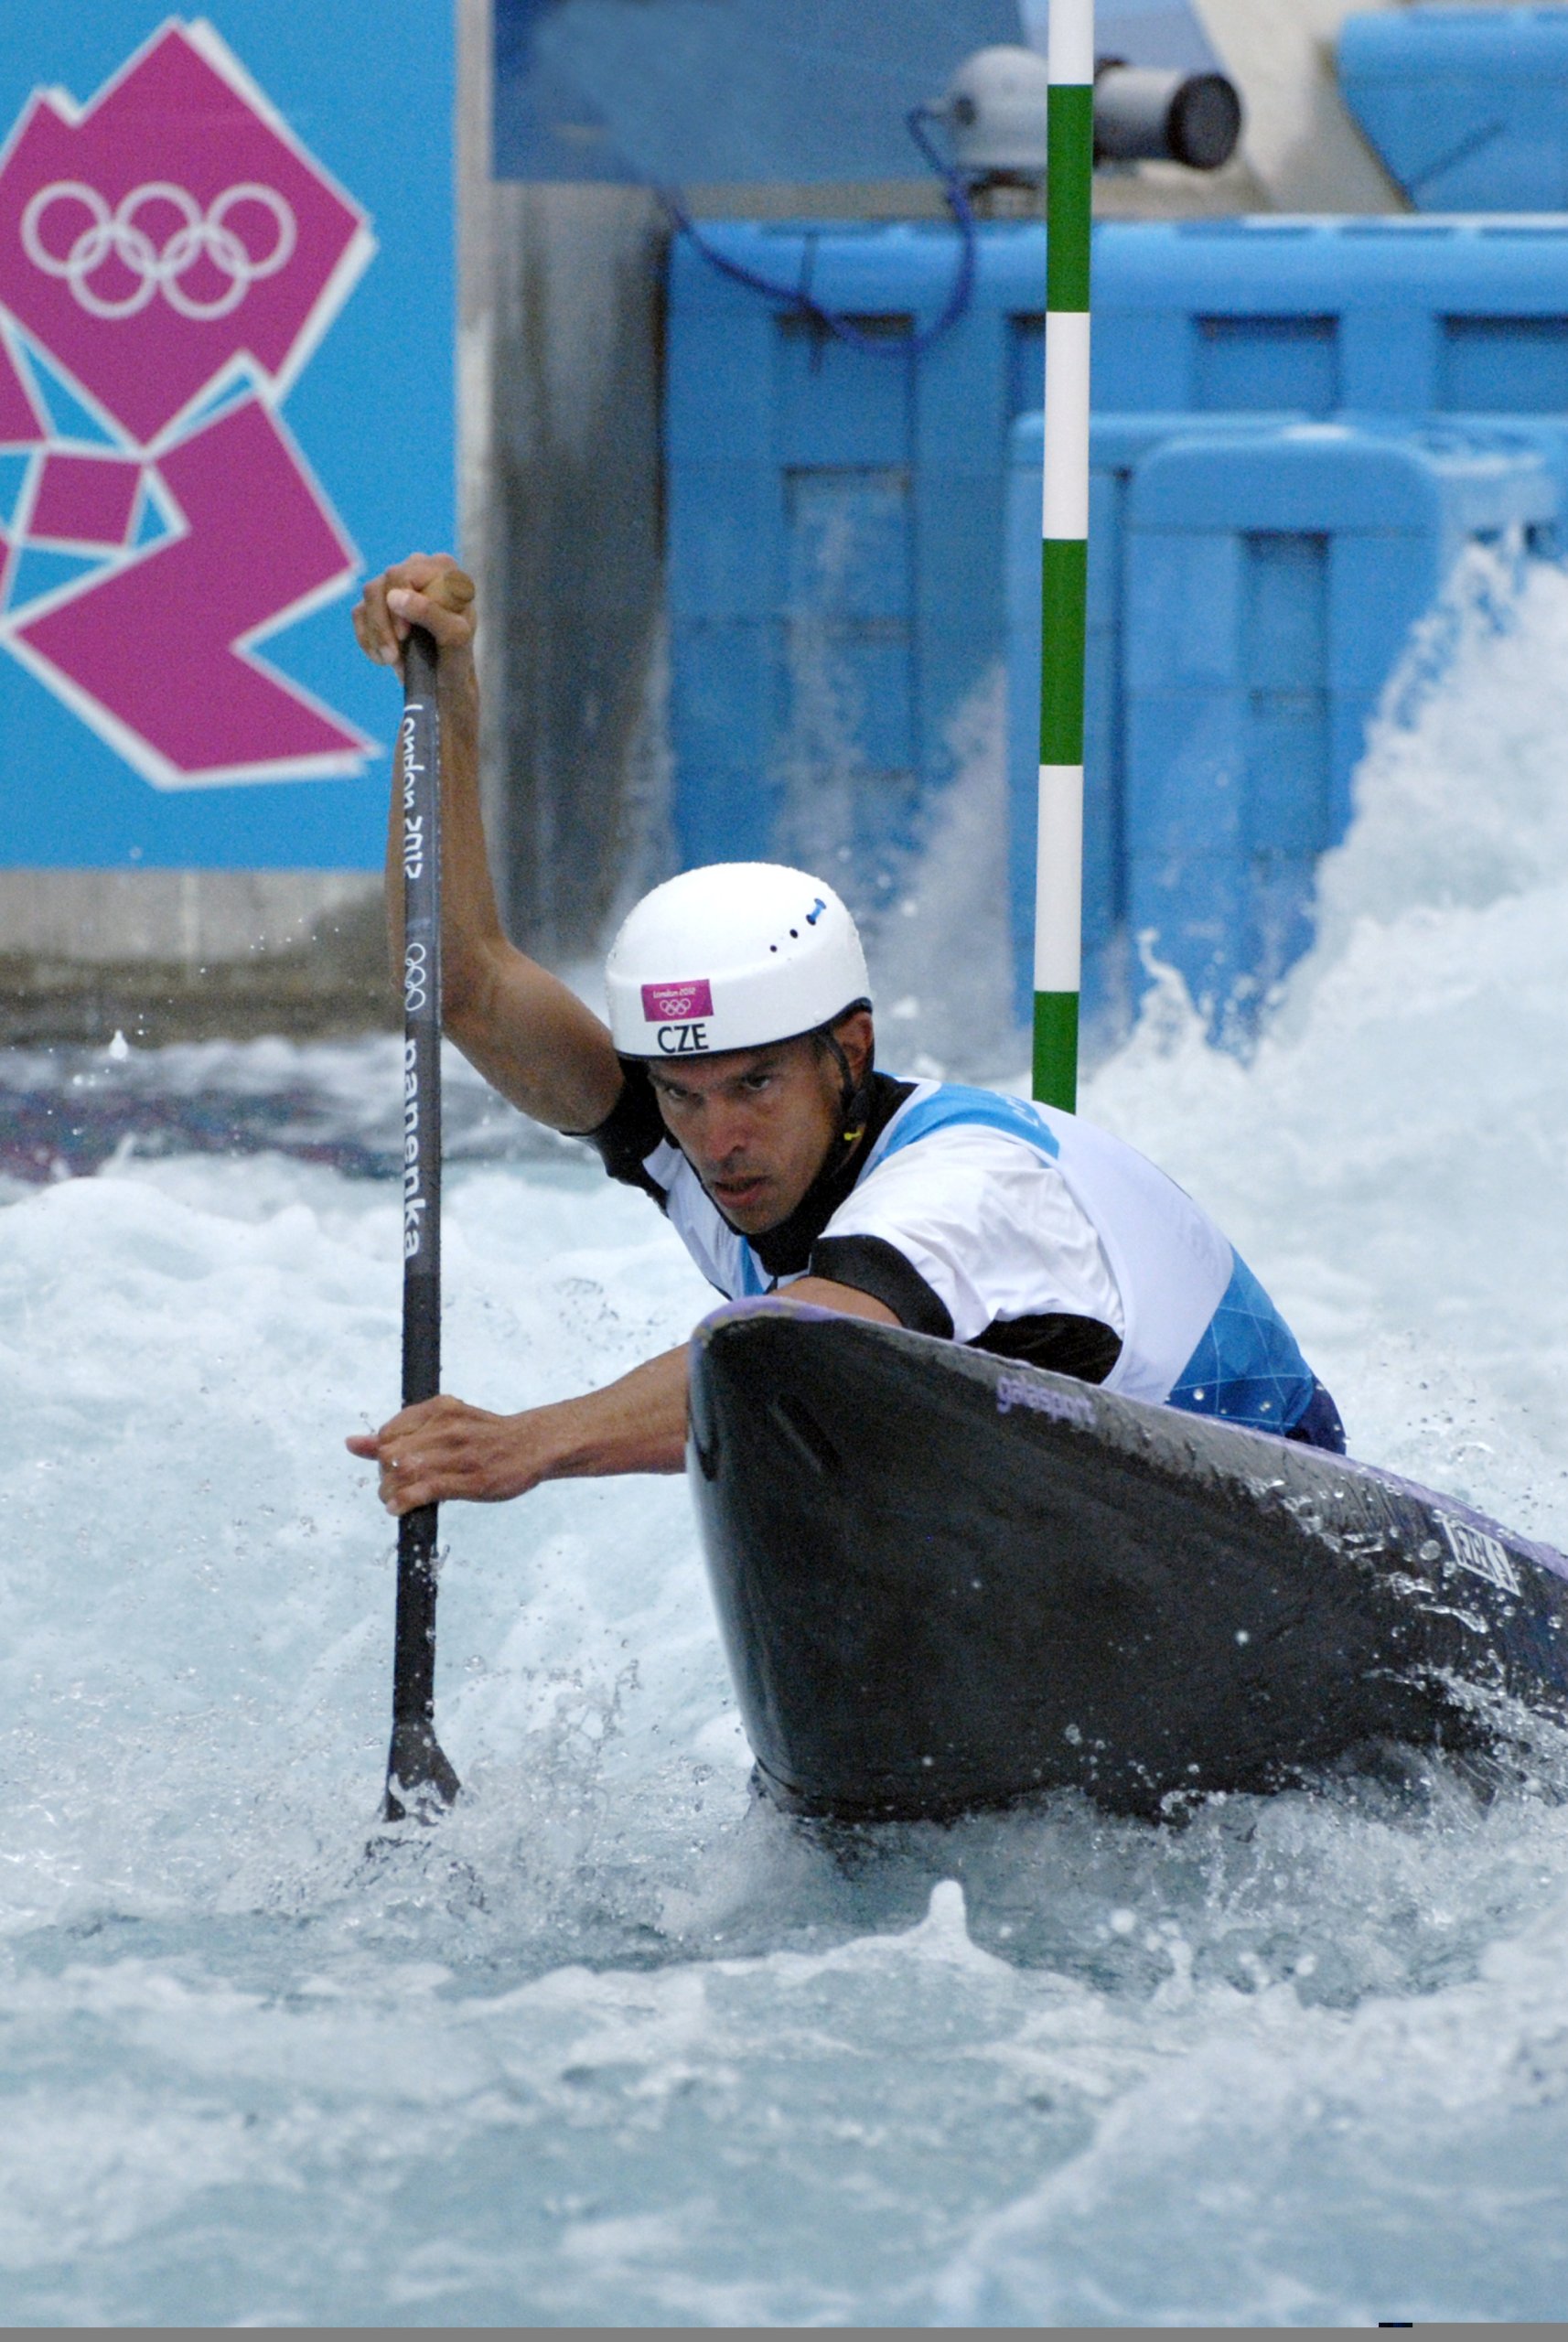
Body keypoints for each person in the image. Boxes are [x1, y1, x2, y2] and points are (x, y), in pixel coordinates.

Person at [347, 553, 1345, 1519]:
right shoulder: (689, 1140)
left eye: (755, 1086)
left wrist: (527, 1443)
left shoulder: (967, 1185)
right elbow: (462, 984)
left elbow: (787, 1351)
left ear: (850, 1051)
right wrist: (441, 700)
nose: (715, 1138)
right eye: (681, 1093)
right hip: (1061, 1516)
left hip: (1281, 1517)